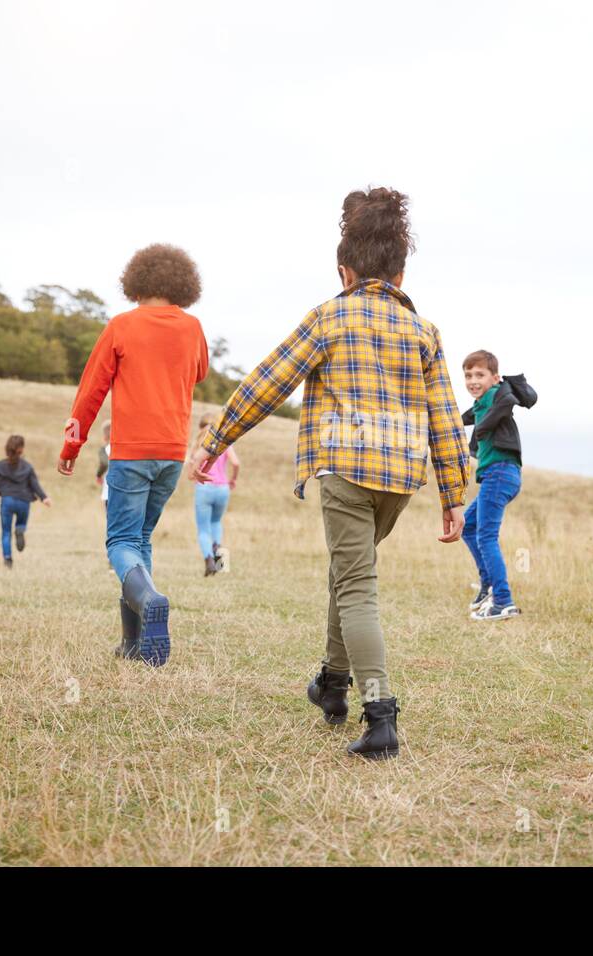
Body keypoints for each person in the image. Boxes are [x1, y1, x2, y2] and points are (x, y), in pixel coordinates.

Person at [190, 187, 470, 760]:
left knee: (357, 587)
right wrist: (454, 495)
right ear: (400, 273)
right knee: (349, 576)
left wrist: (214, 440)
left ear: (344, 271)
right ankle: (331, 684)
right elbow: (444, 415)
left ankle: (381, 716)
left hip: (345, 467)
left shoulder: (328, 317)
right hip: (400, 479)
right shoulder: (425, 332)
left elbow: (267, 384)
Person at [57, 244, 209, 664]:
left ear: (135, 282)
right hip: (172, 454)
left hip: (131, 452)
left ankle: (149, 601)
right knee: (140, 540)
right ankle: (135, 643)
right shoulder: (193, 327)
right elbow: (200, 371)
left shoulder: (121, 326)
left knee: (121, 540)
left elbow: (91, 391)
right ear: (182, 284)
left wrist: (73, 443)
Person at [460, 351, 537, 620]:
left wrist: (481, 430)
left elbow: (508, 399)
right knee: (468, 526)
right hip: (498, 475)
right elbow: (464, 418)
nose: (472, 380)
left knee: (486, 536)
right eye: (468, 375)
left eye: (479, 374)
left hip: (500, 472)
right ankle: (490, 587)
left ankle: (503, 601)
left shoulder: (497, 395)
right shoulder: (482, 403)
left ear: (494, 377)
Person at [0, 434, 51, 568]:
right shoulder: (27, 467)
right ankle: (20, 529)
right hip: (24, 501)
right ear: (22, 449)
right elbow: (34, 484)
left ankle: (8, 559)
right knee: (20, 524)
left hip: (7, 500)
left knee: (6, 532)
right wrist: (44, 498)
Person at [186, 413, 239, 576]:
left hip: (204, 489)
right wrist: (233, 480)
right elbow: (236, 463)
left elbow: (189, 473)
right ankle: (218, 558)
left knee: (203, 529)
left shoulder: (197, 445)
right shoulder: (224, 444)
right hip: (222, 489)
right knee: (216, 523)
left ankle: (209, 560)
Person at [97, 421, 111, 510]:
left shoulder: (105, 449)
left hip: (109, 491)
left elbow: (104, 463)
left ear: (105, 437)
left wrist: (98, 475)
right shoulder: (126, 449)